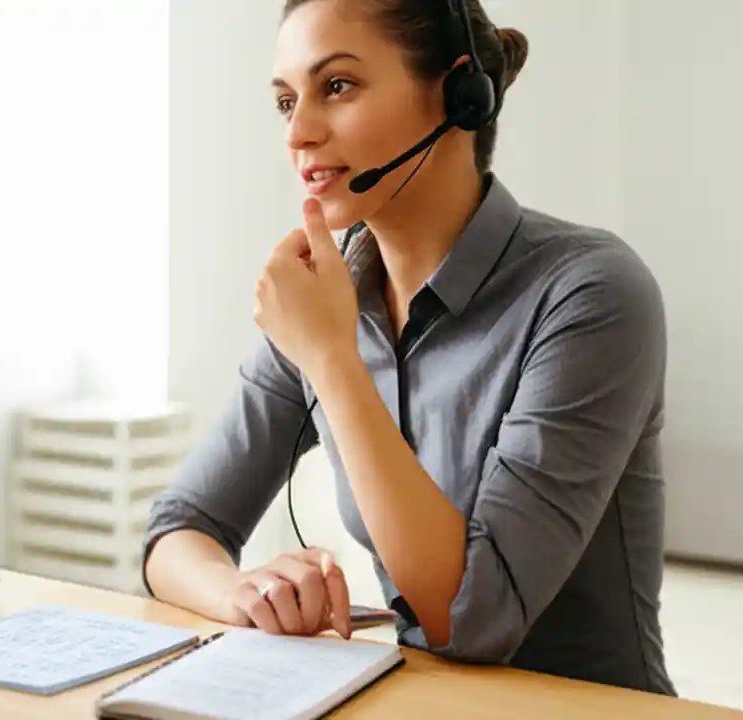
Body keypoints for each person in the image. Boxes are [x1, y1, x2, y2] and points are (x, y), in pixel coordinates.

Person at [141, 0, 676, 697]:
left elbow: (472, 619)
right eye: (284, 101)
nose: (297, 133)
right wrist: (243, 593)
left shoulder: (591, 292)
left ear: (458, 94)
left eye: (336, 87)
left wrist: (332, 361)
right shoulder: (330, 297)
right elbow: (177, 530)